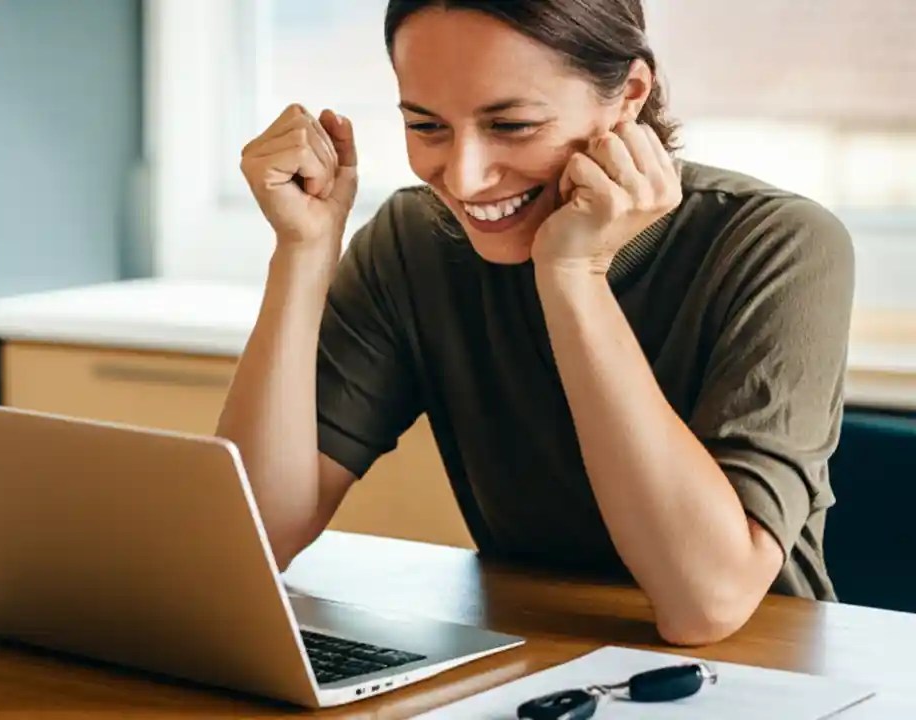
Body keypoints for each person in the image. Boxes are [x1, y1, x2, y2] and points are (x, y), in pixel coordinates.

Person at [215, 0, 854, 646]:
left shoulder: (780, 247)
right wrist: (303, 252)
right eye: (428, 126)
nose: (463, 177)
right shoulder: (416, 244)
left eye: (512, 125)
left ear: (629, 94)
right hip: (533, 659)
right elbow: (251, 539)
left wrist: (574, 277)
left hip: (757, 679)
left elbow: (705, 605)